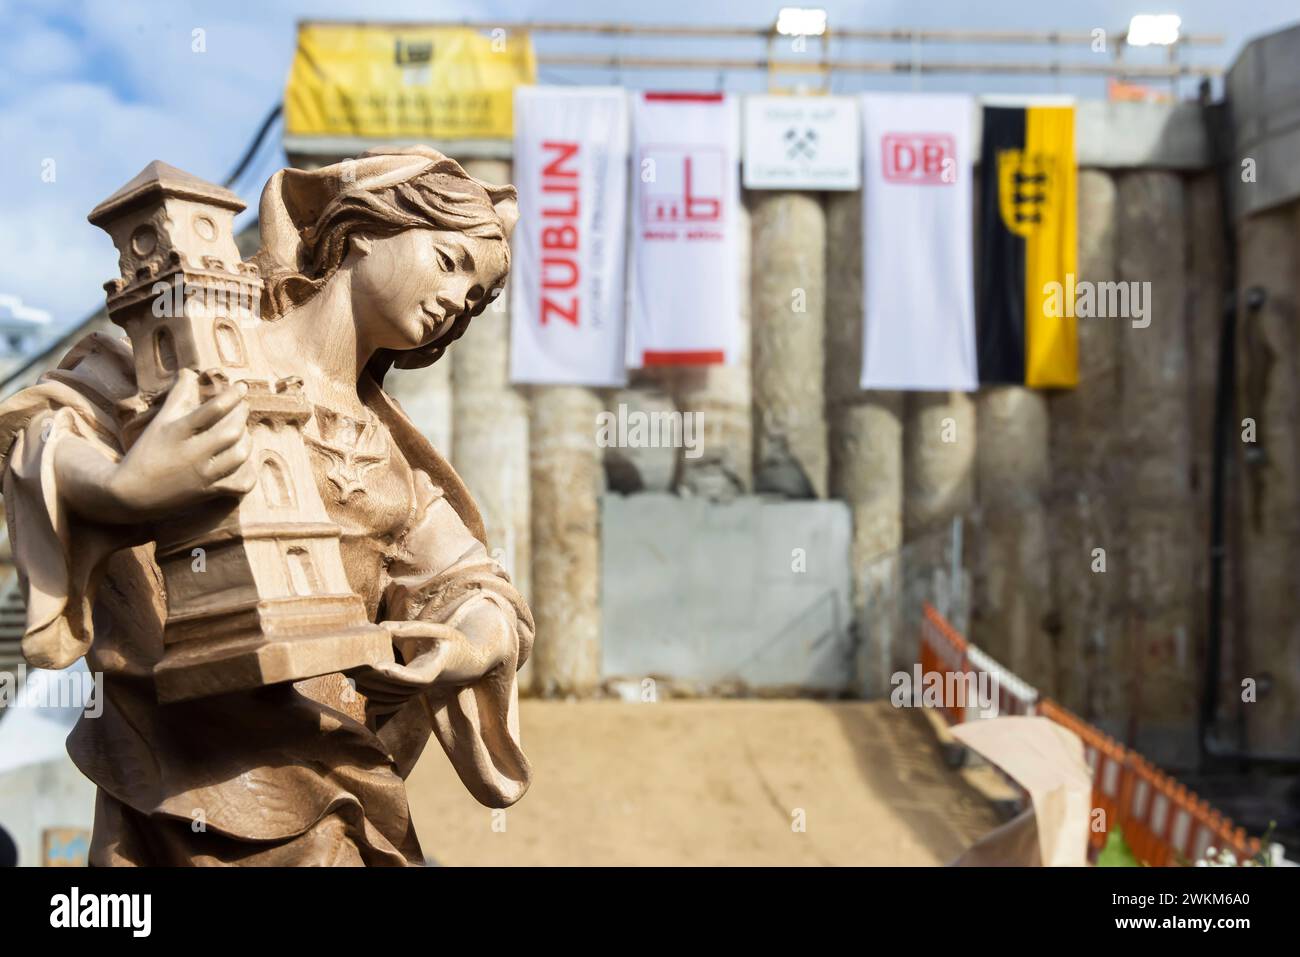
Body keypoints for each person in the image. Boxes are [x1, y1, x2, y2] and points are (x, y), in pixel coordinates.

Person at [0, 147, 532, 865]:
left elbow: (474, 585)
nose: (455, 303)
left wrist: (459, 645)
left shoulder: (387, 457)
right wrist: (125, 487)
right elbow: (38, 433)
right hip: (179, 776)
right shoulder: (188, 366)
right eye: (448, 263)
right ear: (367, 226)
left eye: (475, 298)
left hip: (335, 775)